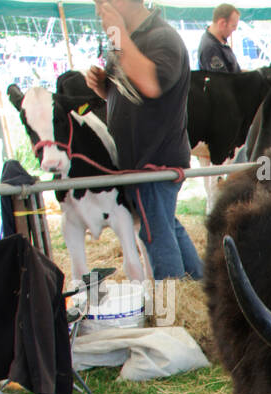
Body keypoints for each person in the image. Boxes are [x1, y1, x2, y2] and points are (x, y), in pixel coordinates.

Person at [86, 0, 202, 280]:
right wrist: (105, 87)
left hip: (155, 161)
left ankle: (171, 312)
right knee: (164, 226)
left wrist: (117, 34)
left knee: (156, 234)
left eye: (104, 2)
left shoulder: (163, 38)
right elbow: (130, 89)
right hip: (138, 161)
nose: (100, 9)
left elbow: (151, 84)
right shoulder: (126, 40)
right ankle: (202, 291)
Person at [198, 3, 240, 72]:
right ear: (222, 23)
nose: (235, 29)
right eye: (233, 26)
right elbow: (223, 80)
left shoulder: (220, 42)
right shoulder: (211, 48)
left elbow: (236, 72)